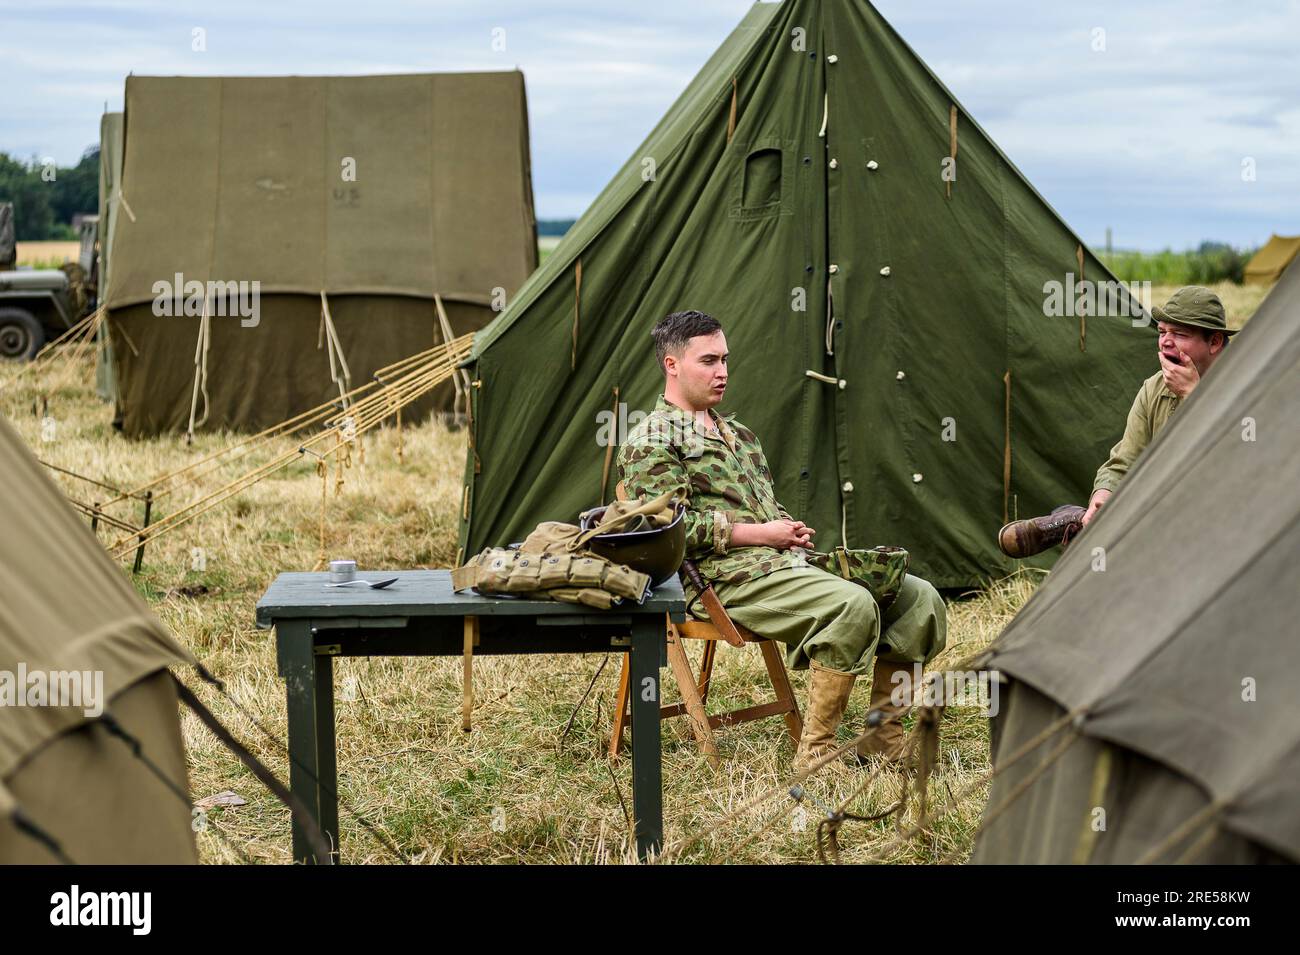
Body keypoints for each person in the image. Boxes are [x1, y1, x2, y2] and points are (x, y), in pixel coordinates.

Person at [617, 310, 947, 771]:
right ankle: (816, 754)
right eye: (708, 361)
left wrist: (786, 529)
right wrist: (760, 534)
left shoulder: (739, 435)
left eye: (725, 359)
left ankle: (883, 740)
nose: (723, 372)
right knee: (851, 606)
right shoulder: (653, 440)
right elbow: (667, 531)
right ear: (672, 365)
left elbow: (766, 507)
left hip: (779, 565)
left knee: (919, 598)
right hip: (718, 580)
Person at [998, 286, 1236, 557]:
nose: (1165, 342)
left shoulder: (1248, 384)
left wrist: (1193, 397)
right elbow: (1123, 462)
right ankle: (1080, 519)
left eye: (1180, 334)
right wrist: (1103, 496)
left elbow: (1239, 468)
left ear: (1215, 342)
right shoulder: (1155, 388)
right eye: (1161, 333)